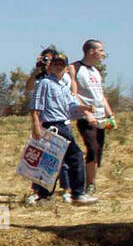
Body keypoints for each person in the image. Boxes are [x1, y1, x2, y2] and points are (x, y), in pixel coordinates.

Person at [24, 51, 98, 205]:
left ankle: (44, 196)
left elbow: (71, 105)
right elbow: (35, 107)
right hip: (53, 125)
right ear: (50, 66)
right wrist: (36, 127)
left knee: (51, 162)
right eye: (56, 64)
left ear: (66, 68)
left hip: (64, 124)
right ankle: (78, 194)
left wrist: (86, 108)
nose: (59, 67)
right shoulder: (44, 83)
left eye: (62, 65)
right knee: (75, 157)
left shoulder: (64, 85)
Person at [73, 39, 115, 194]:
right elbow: (73, 94)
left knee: (98, 151)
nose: (103, 54)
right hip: (86, 118)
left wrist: (110, 114)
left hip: (101, 117)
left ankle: (92, 182)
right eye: (101, 50)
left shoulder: (96, 72)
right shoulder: (75, 69)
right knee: (92, 148)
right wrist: (86, 112)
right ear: (91, 51)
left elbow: (100, 95)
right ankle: (87, 184)